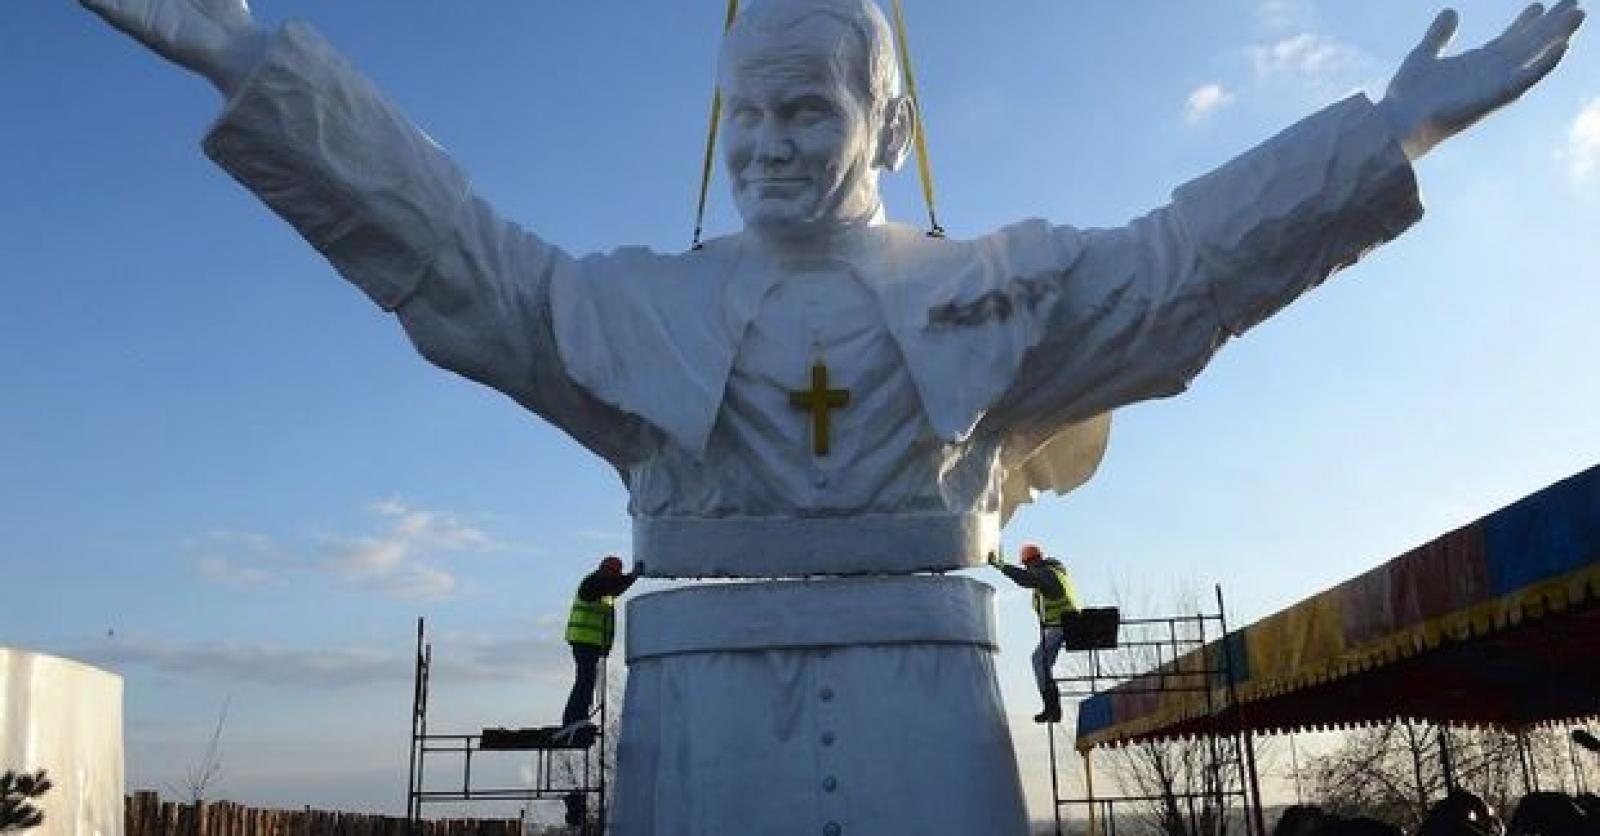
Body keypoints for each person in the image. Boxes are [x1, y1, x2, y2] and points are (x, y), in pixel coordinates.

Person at [69, 0, 1585, 832]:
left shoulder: (1004, 295)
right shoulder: (626, 316)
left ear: (892, 122)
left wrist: (1398, 129)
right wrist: (266, 64)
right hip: (697, 740)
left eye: (813, 107)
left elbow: (1194, 264)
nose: (776, 143)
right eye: (753, 112)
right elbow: (457, 255)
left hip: (939, 733)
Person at [991, 544, 1078, 723]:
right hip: (1064, 623)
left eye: (1026, 565)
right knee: (1042, 664)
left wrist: (1001, 566)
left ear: (1032, 562)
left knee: (1039, 661)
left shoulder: (1046, 574)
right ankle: (1052, 707)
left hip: (1062, 625)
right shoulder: (1053, 573)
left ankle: (1052, 708)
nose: (1026, 568)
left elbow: (1024, 578)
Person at [561, 555, 642, 735]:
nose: (613, 577)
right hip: (583, 641)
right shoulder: (591, 584)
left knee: (587, 681)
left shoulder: (604, 587)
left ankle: (579, 718)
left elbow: (613, 591)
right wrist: (632, 576)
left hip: (591, 644)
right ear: (605, 570)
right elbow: (611, 588)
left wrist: (631, 577)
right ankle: (573, 719)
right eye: (612, 573)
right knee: (585, 681)